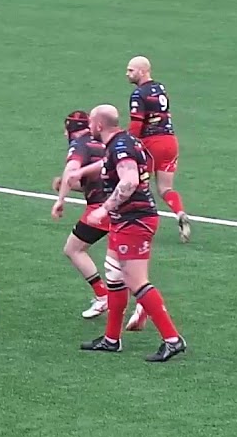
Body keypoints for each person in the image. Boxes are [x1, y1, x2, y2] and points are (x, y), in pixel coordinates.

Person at [80, 105, 186, 362]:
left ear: (99, 125)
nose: (88, 127)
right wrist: (80, 174)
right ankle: (111, 339)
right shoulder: (122, 142)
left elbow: (129, 181)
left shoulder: (120, 146)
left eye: (90, 122)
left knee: (136, 281)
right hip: (125, 219)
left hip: (134, 220)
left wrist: (103, 209)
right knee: (114, 275)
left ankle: (173, 340)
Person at [50, 110, 111, 318]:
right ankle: (141, 304)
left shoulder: (80, 144)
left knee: (73, 249)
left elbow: (71, 170)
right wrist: (68, 185)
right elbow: (95, 181)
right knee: (124, 260)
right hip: (122, 206)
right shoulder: (103, 142)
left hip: (101, 209)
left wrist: (60, 199)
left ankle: (103, 296)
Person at [127, 56, 190, 242]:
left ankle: (139, 223)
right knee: (165, 188)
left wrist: (128, 143)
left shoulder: (138, 94)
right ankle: (180, 213)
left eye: (131, 70)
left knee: (137, 185)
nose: (127, 74)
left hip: (151, 144)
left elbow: (136, 125)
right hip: (170, 142)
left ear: (142, 71)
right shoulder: (160, 88)